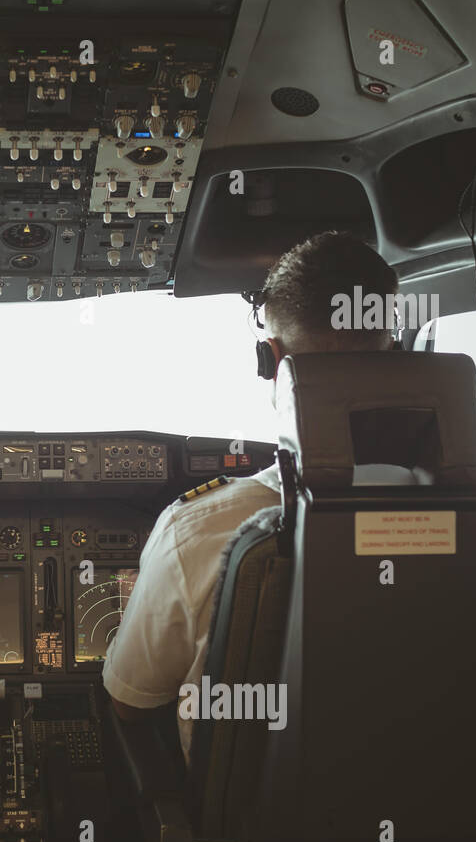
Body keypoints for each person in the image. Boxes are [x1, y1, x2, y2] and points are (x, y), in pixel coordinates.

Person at [101, 230, 399, 768]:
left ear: (273, 359)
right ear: (394, 355)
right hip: (453, 841)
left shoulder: (199, 533)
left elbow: (129, 703)